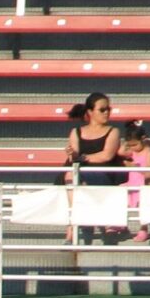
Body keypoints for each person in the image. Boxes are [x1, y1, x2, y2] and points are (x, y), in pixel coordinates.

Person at [62, 92, 122, 242]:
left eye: (108, 109)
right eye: (102, 109)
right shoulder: (76, 131)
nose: (107, 112)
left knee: (76, 178)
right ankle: (73, 223)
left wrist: (82, 158)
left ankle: (76, 224)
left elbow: (106, 156)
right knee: (71, 177)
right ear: (90, 112)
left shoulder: (113, 131)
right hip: (80, 171)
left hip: (103, 173)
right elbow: (74, 156)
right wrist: (73, 154)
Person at [119, 122, 150, 243]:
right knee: (119, 195)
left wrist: (133, 166)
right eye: (130, 145)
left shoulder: (149, 151)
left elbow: (149, 171)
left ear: (143, 139)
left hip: (144, 183)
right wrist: (127, 143)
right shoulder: (133, 151)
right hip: (132, 183)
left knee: (142, 206)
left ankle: (144, 229)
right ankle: (121, 224)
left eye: (135, 144)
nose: (133, 147)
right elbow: (120, 152)